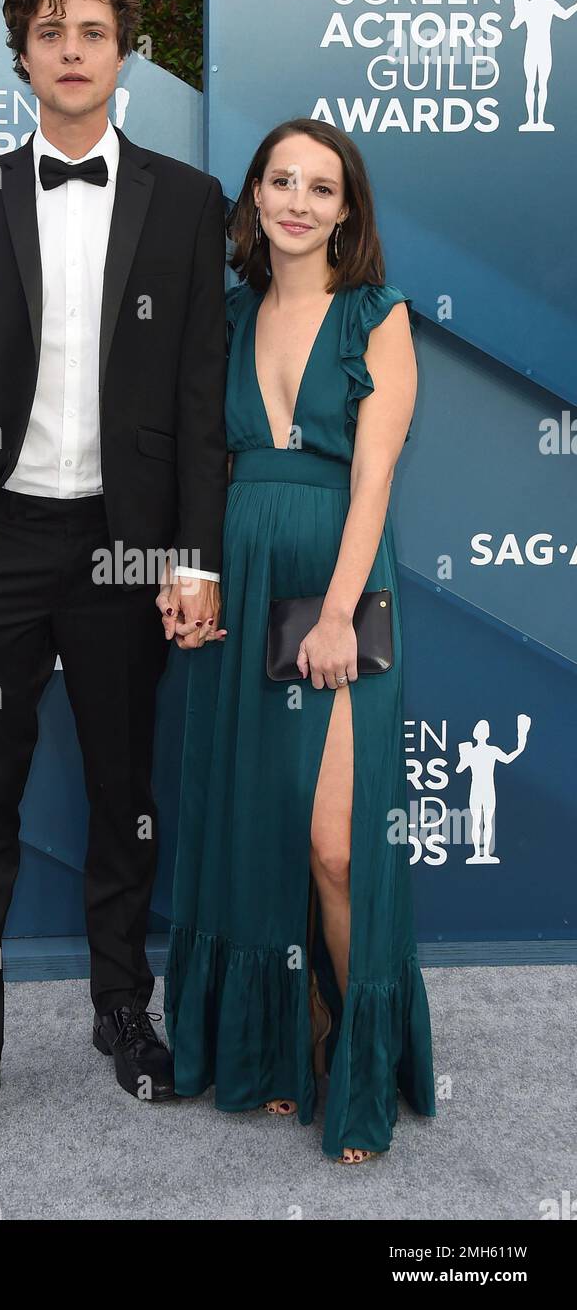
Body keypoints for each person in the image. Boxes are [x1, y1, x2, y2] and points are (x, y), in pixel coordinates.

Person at [0, 0, 227, 1155]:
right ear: (23, 54)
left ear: (123, 48)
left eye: (94, 28)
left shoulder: (187, 203)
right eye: (52, 32)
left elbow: (200, 400)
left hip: (123, 549)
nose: (75, 48)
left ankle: (120, 1014)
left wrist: (191, 555)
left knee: (122, 796)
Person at [161, 117, 436, 1164]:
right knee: (255, 831)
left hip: (336, 582)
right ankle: (287, 1042)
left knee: (332, 843)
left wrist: (333, 610)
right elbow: (207, 464)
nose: (297, 201)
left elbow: (372, 478)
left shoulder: (376, 314)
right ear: (255, 196)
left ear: (345, 209)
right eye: (280, 180)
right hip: (245, 568)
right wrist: (192, 573)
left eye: (320, 187)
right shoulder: (227, 316)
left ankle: (355, 1074)